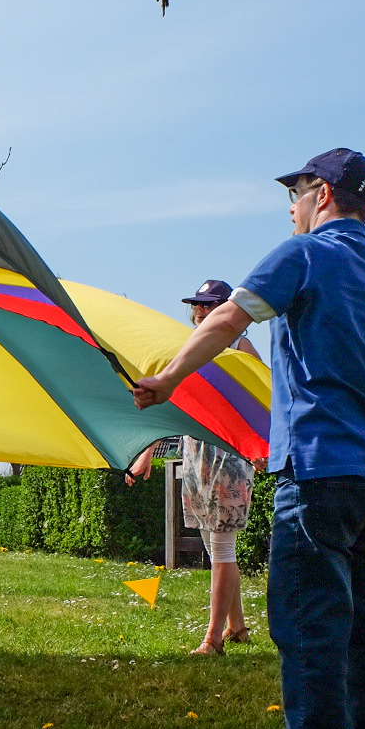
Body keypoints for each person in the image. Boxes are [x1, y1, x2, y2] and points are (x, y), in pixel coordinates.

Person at [134, 149, 365, 729]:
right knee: (364, 620)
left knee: (308, 621)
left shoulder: (303, 255)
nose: (291, 208)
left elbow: (229, 318)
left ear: (323, 194)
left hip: (318, 467)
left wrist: (169, 379)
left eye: (296, 193)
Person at [130, 279, 262, 656]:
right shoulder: (188, 350)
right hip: (195, 454)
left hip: (229, 456)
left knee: (222, 548)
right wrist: (147, 452)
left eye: (209, 305)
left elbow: (262, 399)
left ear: (226, 309)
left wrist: (261, 445)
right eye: (197, 306)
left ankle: (213, 639)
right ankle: (237, 627)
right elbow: (175, 405)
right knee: (214, 545)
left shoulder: (241, 348)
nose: (200, 311)